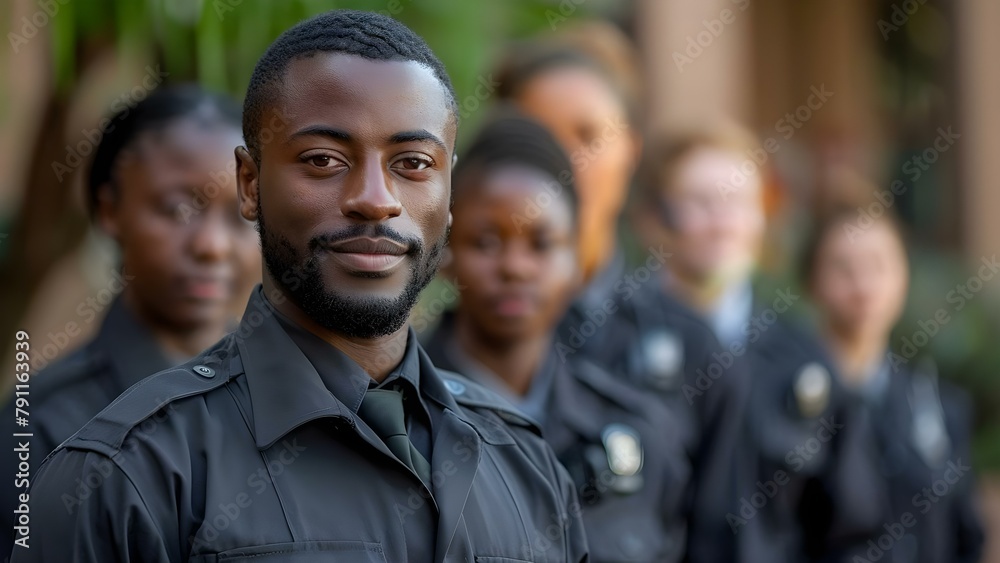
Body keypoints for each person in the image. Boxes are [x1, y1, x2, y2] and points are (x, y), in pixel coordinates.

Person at [13, 11, 589, 563]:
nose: (376, 198)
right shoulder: (127, 473)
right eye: (323, 159)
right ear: (250, 182)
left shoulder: (526, 465)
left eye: (412, 163)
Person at [496, 29, 748, 561]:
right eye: (539, 135)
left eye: (588, 135)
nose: (564, 163)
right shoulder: (439, 358)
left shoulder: (695, 351)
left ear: (630, 150)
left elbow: (724, 539)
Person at [0, 84, 260, 557]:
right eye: (178, 208)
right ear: (109, 210)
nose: (212, 246)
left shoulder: (288, 397)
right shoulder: (41, 426)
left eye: (240, 215)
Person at [422, 112, 690, 562]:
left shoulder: (639, 430)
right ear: (445, 252)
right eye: (485, 242)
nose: (515, 267)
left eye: (542, 244)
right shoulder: (396, 423)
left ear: (575, 260)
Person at [635, 126, 890, 562]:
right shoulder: (611, 348)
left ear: (762, 217)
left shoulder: (804, 361)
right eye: (700, 202)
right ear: (657, 216)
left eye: (737, 202)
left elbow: (851, 528)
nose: (721, 222)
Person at [804, 204, 985, 563]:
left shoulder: (938, 407)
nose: (863, 284)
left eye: (878, 265)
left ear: (903, 276)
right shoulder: (782, 401)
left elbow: (965, 536)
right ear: (812, 279)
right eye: (843, 267)